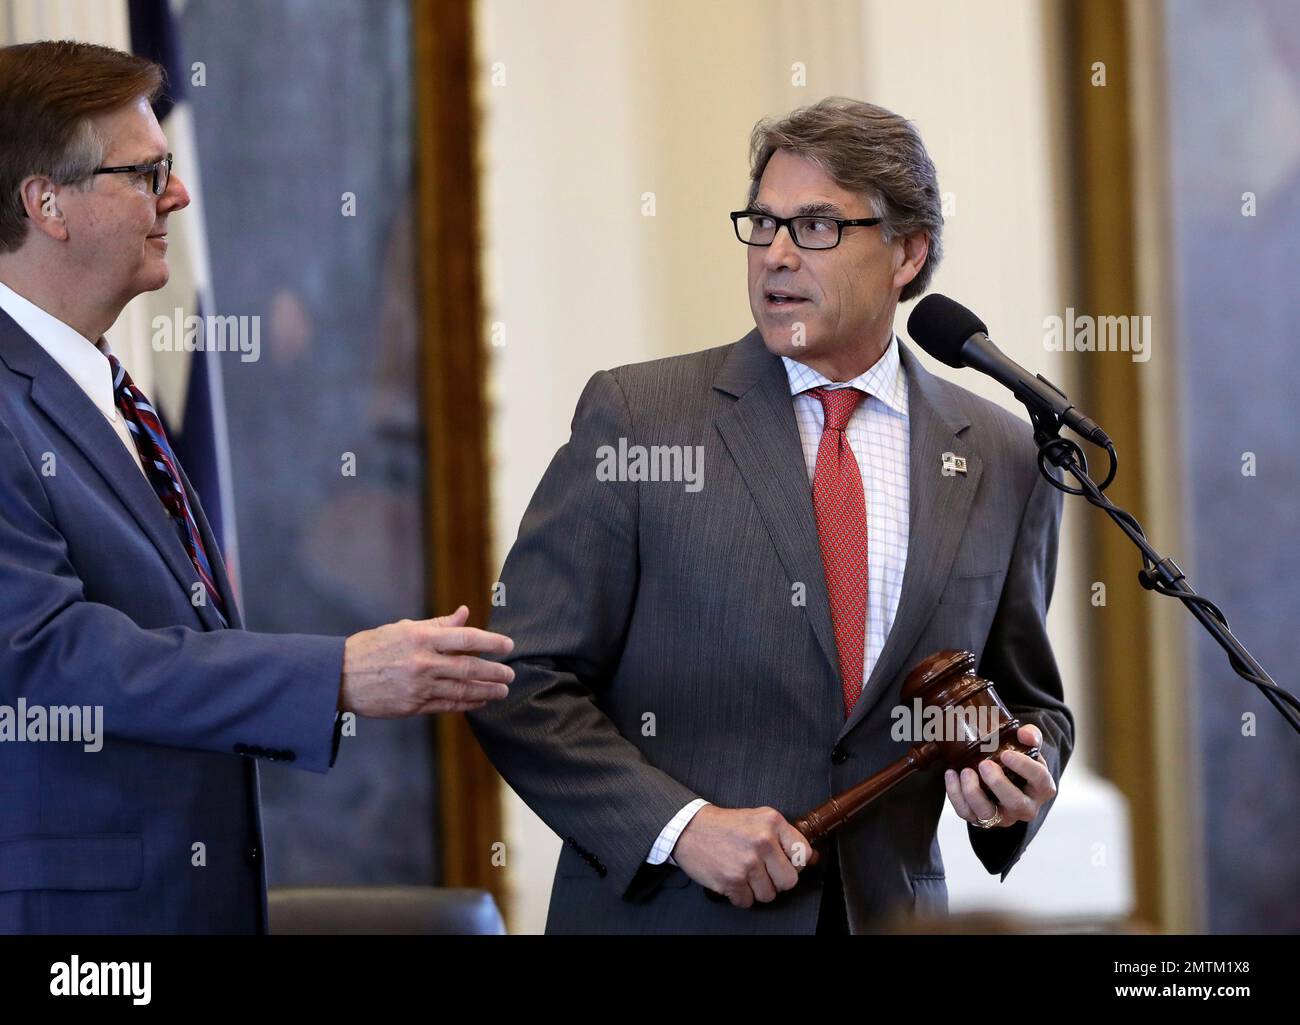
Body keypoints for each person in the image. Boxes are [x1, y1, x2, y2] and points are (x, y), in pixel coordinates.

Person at [470, 97, 1074, 934]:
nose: (777, 255)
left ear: (907, 252)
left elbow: (1031, 699)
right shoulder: (640, 417)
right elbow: (521, 678)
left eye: (818, 226)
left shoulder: (1007, 454)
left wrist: (1012, 790)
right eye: (763, 224)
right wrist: (680, 829)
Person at [0, 40, 513, 934]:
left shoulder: (108, 391)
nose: (179, 194)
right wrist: (337, 674)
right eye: (146, 171)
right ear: (47, 203)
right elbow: (47, 659)